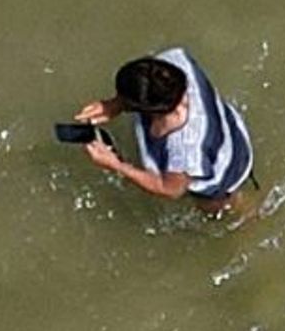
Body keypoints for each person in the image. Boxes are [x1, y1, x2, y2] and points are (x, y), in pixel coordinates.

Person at [74, 47, 256, 214]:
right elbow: (148, 83)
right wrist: (115, 105)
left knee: (214, 207)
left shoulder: (186, 152)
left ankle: (246, 211)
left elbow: (170, 189)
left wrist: (116, 165)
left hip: (225, 172)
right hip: (227, 130)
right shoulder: (172, 64)